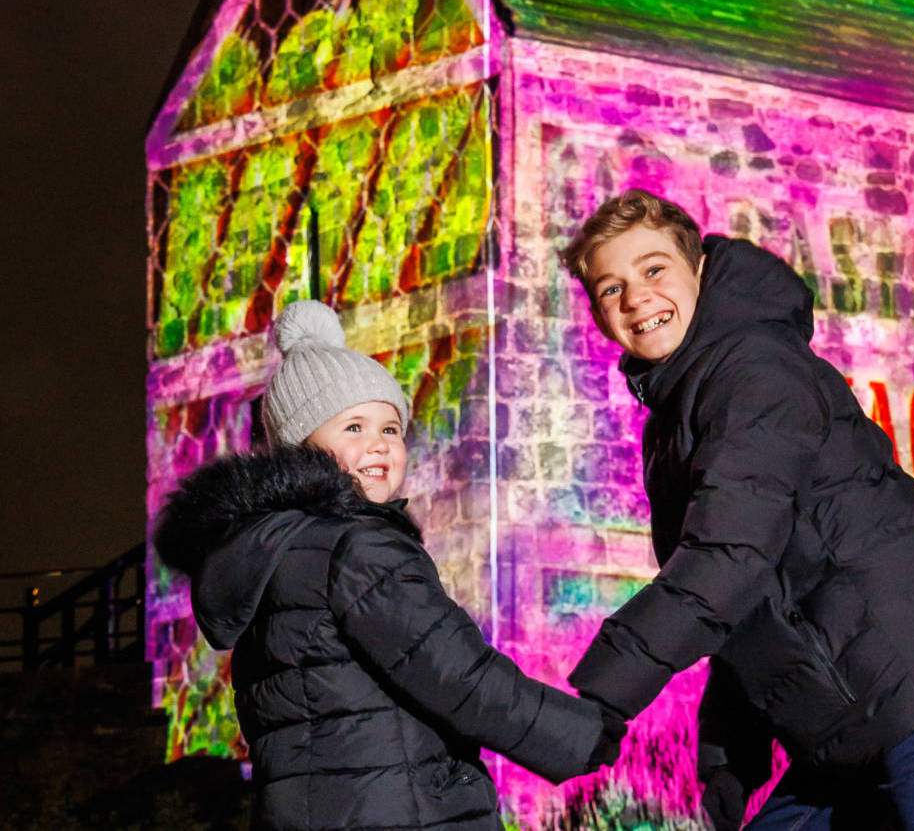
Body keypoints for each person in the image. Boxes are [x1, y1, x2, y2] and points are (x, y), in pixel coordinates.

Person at [559, 189, 914, 831]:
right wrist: (732, 755)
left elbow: (727, 559)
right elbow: (751, 595)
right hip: (842, 717)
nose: (636, 298)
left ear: (699, 267)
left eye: (653, 269)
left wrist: (600, 697)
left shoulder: (754, 370)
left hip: (909, 686)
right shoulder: (678, 412)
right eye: (611, 288)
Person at [154, 299, 623, 831]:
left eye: (391, 429)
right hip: (402, 809)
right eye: (353, 428)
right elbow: (451, 670)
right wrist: (577, 733)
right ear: (299, 449)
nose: (378, 445)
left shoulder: (271, 551)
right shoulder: (355, 548)